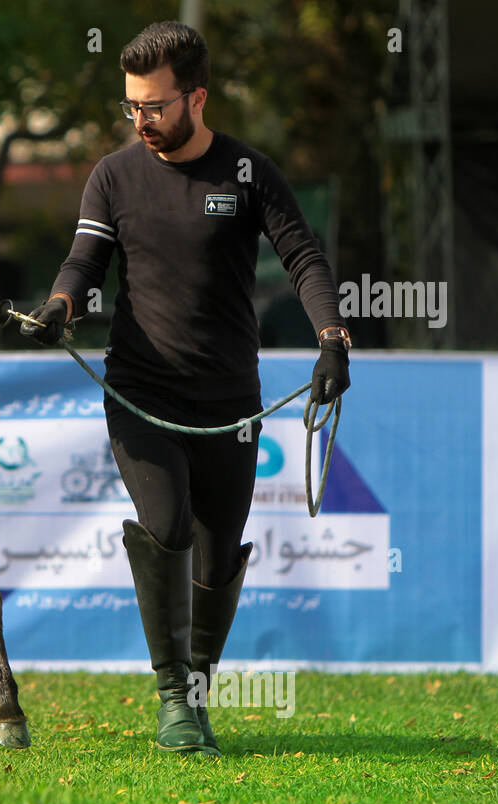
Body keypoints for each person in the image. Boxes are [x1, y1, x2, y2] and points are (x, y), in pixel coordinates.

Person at [21, 21, 351, 755]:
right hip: (141, 395)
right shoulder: (113, 175)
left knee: (219, 551)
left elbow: (303, 257)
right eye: (131, 106)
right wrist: (59, 307)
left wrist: (333, 340)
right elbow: (83, 263)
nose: (140, 120)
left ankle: (199, 691)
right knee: (166, 528)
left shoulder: (249, 173)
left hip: (232, 402)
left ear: (196, 98)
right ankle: (173, 697)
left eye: (155, 106)